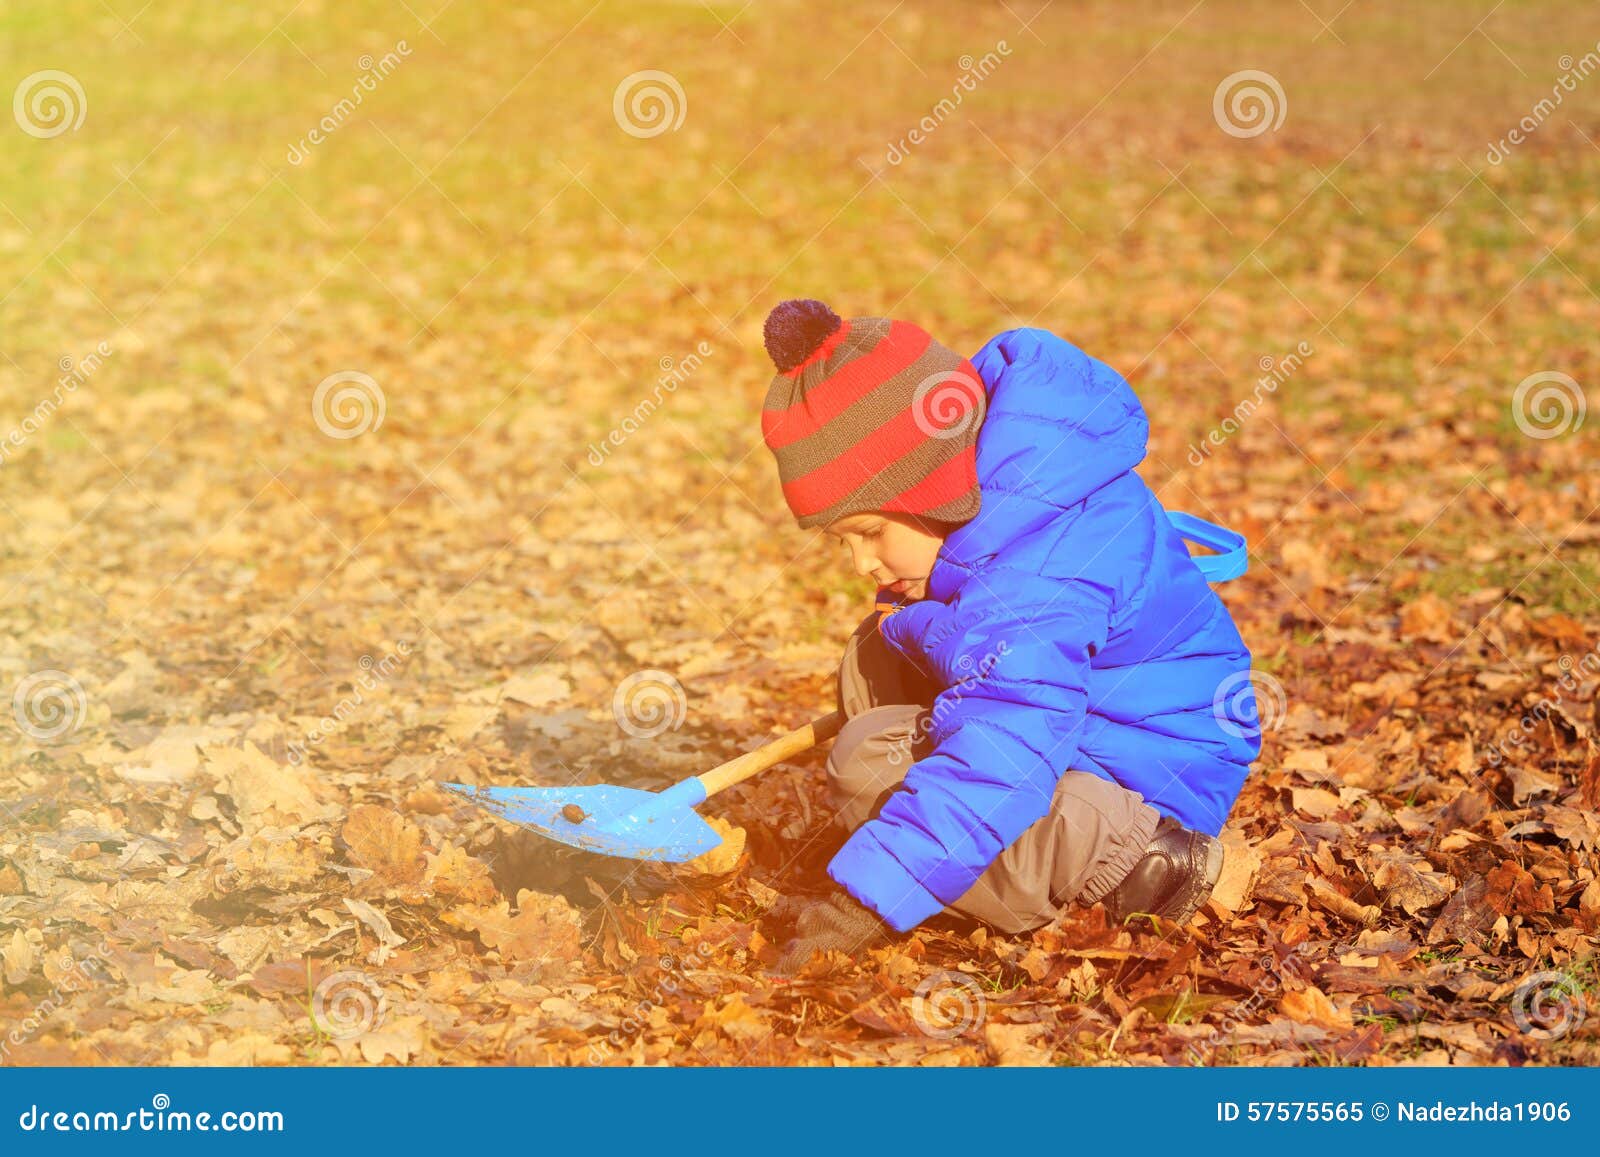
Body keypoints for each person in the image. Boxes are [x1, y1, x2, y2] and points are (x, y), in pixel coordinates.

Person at [755, 299, 1261, 971]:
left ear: (930, 489)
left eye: (870, 533)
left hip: (1148, 782)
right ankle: (937, 854)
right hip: (1092, 727)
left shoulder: (1037, 578)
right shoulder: (1007, 498)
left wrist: (861, 906)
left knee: (865, 764)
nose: (861, 563)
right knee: (877, 647)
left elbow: (1008, 746)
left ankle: (1151, 868)